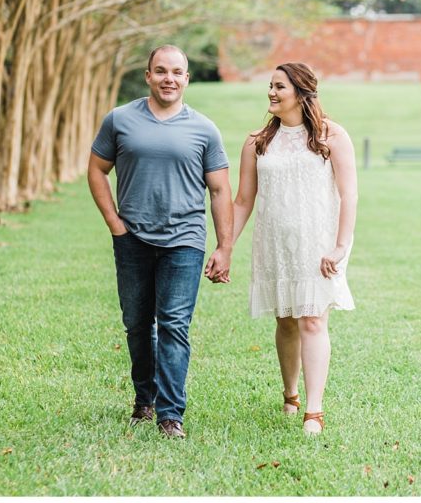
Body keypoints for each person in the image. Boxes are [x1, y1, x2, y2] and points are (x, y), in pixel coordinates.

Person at [88, 45, 233, 439]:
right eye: (161, 71)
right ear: (148, 76)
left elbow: (220, 191)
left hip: (184, 241)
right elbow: (97, 170)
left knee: (174, 324)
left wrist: (224, 247)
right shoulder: (119, 120)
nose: (169, 78)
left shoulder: (204, 129)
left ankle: (171, 414)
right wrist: (114, 223)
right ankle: (144, 400)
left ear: (187, 78)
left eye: (177, 72)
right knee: (137, 325)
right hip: (131, 238)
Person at [232, 62, 357, 435]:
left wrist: (340, 247)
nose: (271, 92)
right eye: (270, 86)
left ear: (301, 92)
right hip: (274, 243)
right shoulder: (256, 142)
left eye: (279, 86)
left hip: (318, 244)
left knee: (313, 319)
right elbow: (242, 201)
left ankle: (314, 412)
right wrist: (225, 247)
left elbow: (349, 194)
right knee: (286, 320)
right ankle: (290, 395)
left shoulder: (331, 136)